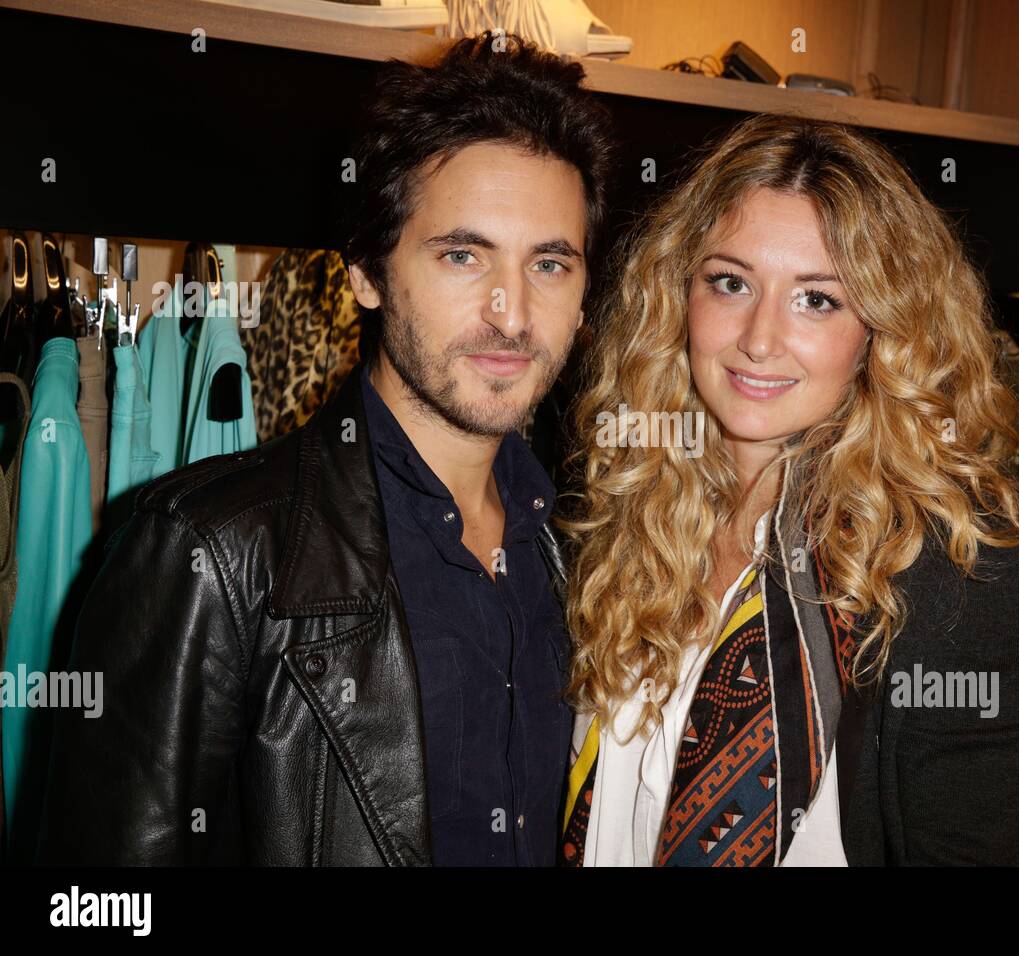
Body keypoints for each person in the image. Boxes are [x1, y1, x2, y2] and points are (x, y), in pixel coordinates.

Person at [36, 33, 614, 866]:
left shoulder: (584, 549)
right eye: (462, 254)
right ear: (366, 274)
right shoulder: (212, 552)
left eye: (550, 265)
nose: (512, 312)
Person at [559, 113, 1019, 866]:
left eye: (816, 299)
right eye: (730, 283)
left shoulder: (954, 568)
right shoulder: (638, 501)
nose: (760, 338)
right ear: (679, 294)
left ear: (882, 329)